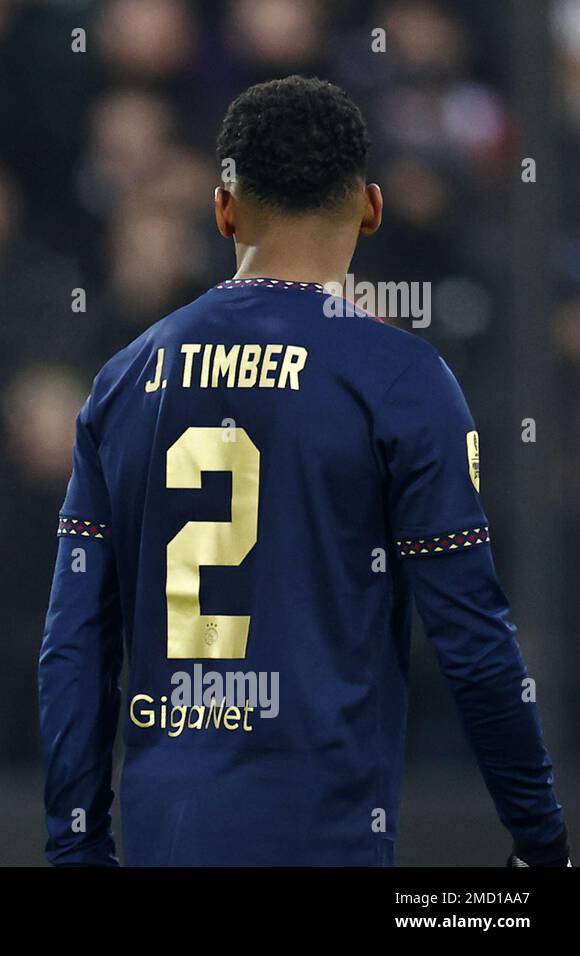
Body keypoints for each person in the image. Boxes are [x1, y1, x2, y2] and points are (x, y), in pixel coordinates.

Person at [38, 75, 569, 867]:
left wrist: (75, 847)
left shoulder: (126, 378)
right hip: (326, 829)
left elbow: (74, 645)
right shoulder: (401, 379)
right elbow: (473, 642)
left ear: (223, 209)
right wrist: (539, 833)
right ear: (371, 207)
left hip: (166, 827)